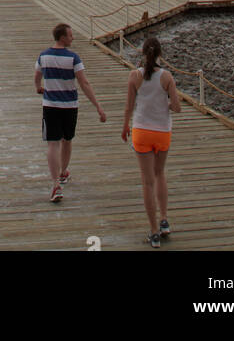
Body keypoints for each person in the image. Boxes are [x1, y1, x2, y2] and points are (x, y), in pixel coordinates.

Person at [35, 23, 106, 202]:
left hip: (50, 105)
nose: (73, 38)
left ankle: (55, 184)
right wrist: (97, 105)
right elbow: (84, 83)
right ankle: (62, 173)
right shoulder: (73, 58)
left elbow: (37, 76)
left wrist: (39, 88)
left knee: (52, 143)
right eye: (70, 35)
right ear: (62, 38)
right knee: (67, 140)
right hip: (70, 106)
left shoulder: (44, 56)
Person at [122, 35, 181, 247]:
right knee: (160, 173)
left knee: (147, 181)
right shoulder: (166, 77)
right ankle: (164, 219)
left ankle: (154, 231)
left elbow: (129, 106)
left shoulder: (133, 75)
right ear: (159, 54)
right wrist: (165, 100)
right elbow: (177, 107)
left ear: (142, 53)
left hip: (141, 130)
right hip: (162, 131)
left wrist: (124, 127)